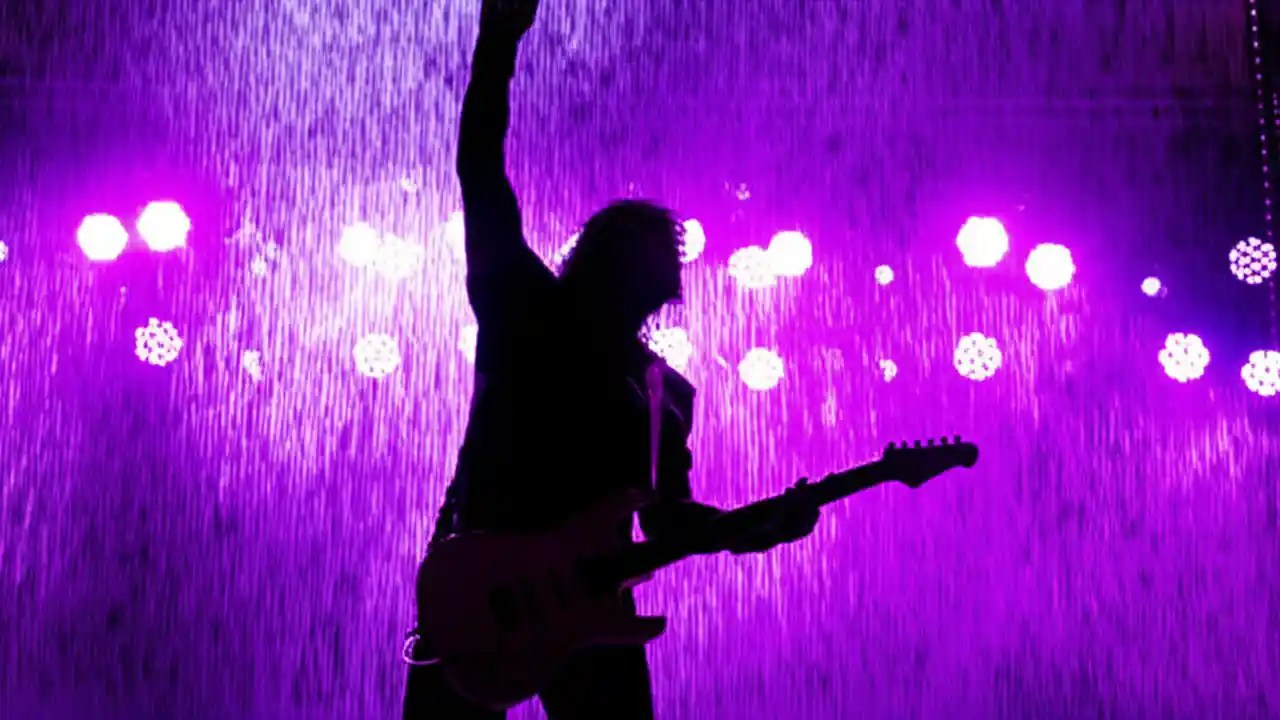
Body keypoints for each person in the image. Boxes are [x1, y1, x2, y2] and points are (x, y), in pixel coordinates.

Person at [403, 1, 819, 717]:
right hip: (476, 584)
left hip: (588, 609)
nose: (659, 275)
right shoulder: (523, 303)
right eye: (645, 257)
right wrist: (498, 40)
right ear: (603, 260)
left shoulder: (667, 393)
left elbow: (664, 521)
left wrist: (755, 530)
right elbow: (480, 168)